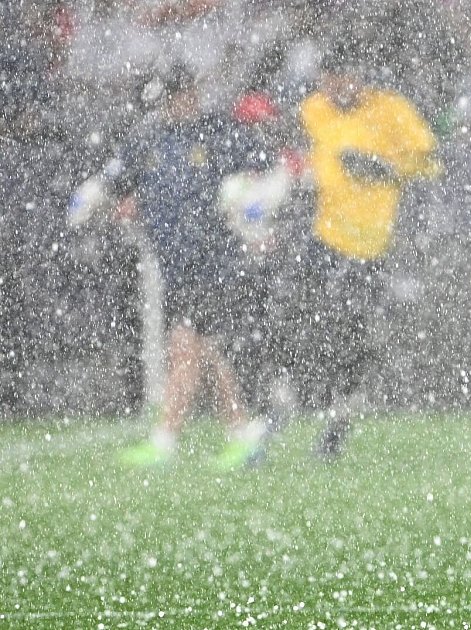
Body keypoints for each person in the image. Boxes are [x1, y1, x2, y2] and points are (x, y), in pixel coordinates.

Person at [279, 44, 439, 459]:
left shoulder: (390, 110)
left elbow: (430, 160)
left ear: (360, 77)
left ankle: (339, 418)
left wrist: (387, 168)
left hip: (370, 246)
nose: (337, 88)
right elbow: (294, 152)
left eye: (344, 78)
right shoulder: (313, 109)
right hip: (321, 237)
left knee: (352, 337)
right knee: (294, 320)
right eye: (329, 80)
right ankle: (282, 404)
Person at [115, 64, 269, 469]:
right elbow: (119, 186)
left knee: (187, 350)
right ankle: (243, 433)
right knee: (206, 353)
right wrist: (124, 203)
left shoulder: (218, 133)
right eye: (175, 96)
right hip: (176, 266)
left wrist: (249, 202)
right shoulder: (149, 140)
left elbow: (265, 167)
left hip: (214, 263)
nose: (184, 102)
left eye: (187, 93)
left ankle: (166, 440)